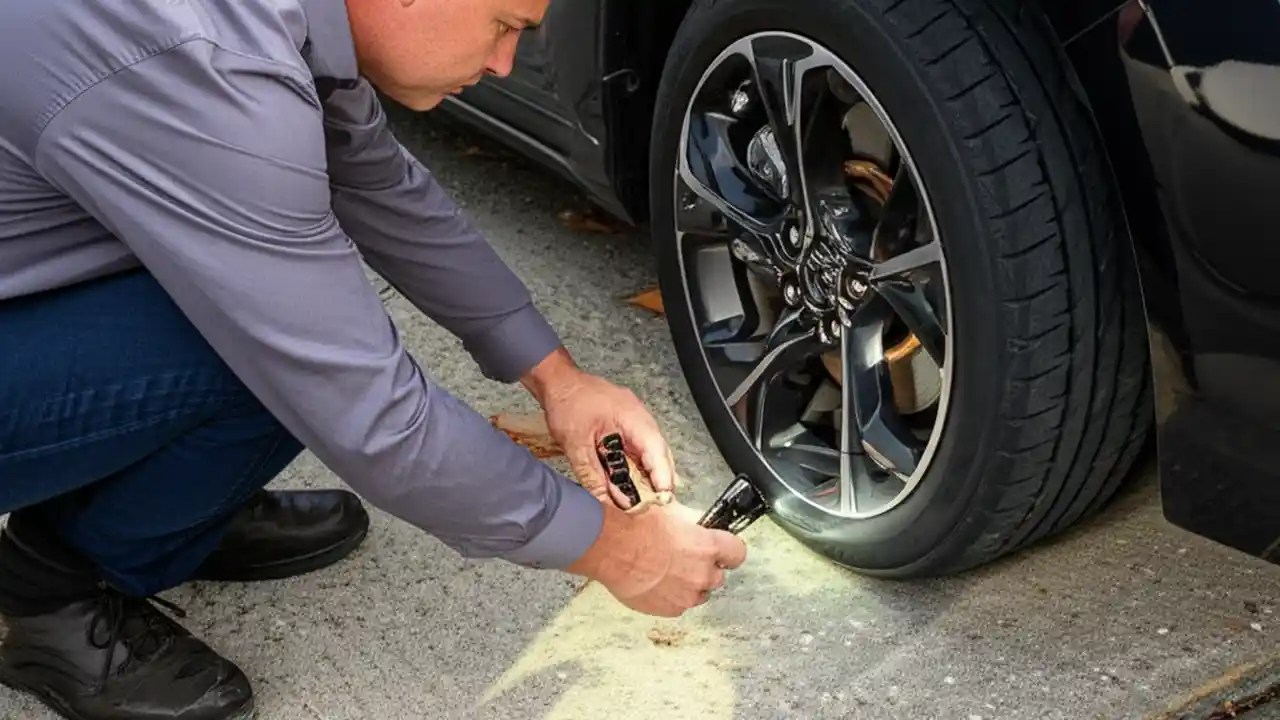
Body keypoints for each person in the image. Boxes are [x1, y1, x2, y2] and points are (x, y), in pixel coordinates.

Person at [0, 0, 750, 717]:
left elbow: (381, 186)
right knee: (278, 342)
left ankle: (161, 513)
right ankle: (46, 592)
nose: (502, 63)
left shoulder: (270, 23)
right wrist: (618, 551)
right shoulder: (208, 67)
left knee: (287, 312)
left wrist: (559, 378)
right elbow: (370, 413)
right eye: (503, 26)